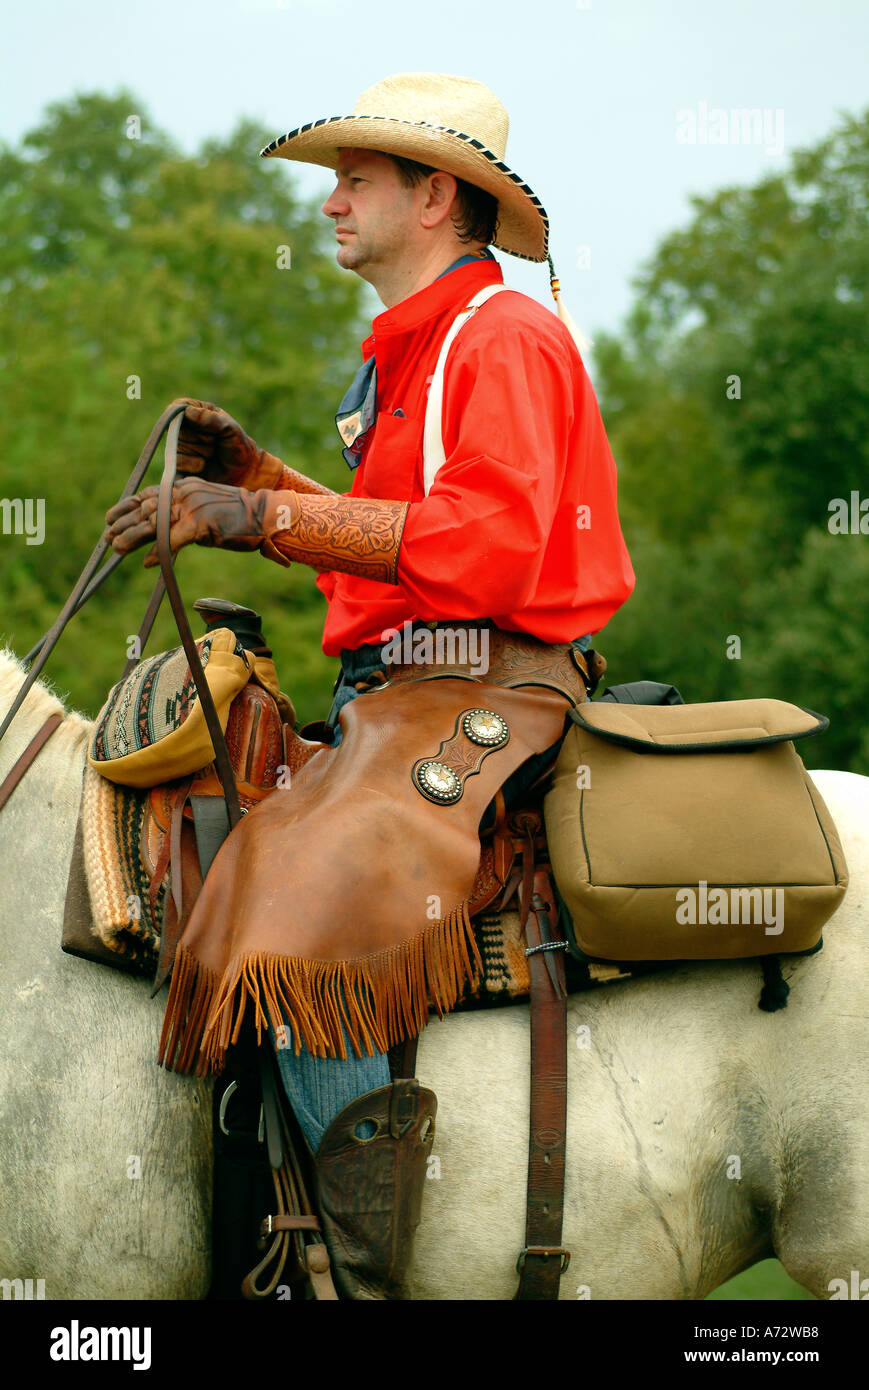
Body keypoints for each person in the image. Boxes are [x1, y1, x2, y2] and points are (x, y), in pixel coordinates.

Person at [104, 71, 635, 1298]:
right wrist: (263, 482)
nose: (330, 202)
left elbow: (488, 546)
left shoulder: (498, 335)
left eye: (356, 179)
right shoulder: (415, 348)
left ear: (434, 196)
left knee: (294, 889)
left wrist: (266, 512)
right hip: (405, 690)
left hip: (488, 685)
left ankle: (351, 1274)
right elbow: (407, 532)